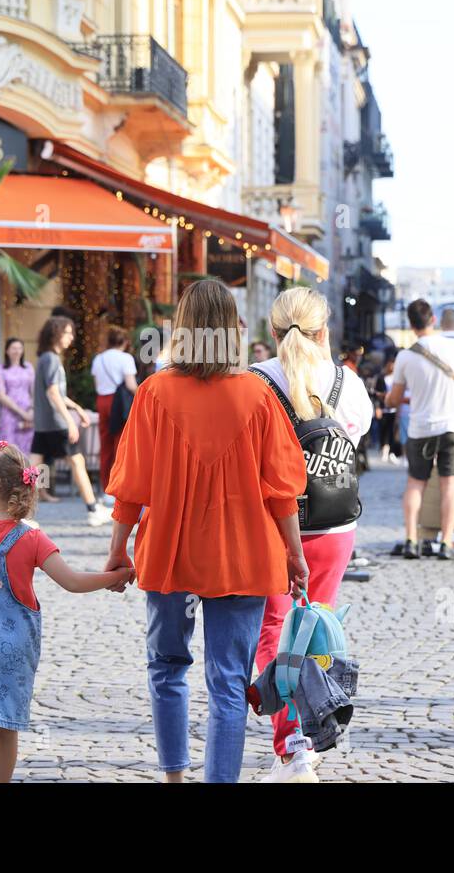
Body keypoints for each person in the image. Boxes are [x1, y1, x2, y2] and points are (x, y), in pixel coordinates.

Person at [103, 279, 308, 783]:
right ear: (231, 329)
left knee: (167, 667)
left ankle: (174, 777)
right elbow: (281, 491)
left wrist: (117, 551)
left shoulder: (154, 393)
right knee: (229, 682)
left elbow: (132, 485)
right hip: (243, 551)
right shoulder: (257, 395)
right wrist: (295, 554)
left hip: (171, 548)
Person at [0, 440, 131, 782]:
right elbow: (72, 581)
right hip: (16, 648)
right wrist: (114, 577)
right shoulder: (31, 538)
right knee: (7, 728)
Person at [249, 287, 373, 782]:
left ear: (272, 333)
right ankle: (313, 733)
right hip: (336, 524)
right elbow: (353, 441)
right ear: (325, 332)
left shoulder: (256, 383)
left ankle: (293, 746)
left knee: (274, 631)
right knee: (318, 625)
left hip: (274, 526)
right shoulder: (350, 384)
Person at [385, 299, 454, 557]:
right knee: (450, 485)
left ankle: (411, 539)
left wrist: (387, 399)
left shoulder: (405, 355)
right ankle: (446, 543)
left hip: (420, 427)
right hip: (453, 425)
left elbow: (395, 398)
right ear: (432, 319)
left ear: (412, 325)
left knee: (415, 483)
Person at [29, 316, 110, 527]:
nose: (71, 337)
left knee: (33, 468)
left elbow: (57, 393)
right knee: (77, 462)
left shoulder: (46, 359)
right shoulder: (51, 360)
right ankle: (92, 509)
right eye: (67, 333)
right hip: (56, 424)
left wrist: (77, 408)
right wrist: (70, 421)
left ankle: (18, 515)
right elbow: (53, 392)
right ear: (56, 334)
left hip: (44, 423)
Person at [90, 325, 138, 500]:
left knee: (105, 445)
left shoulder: (98, 359)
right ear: (124, 342)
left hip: (101, 400)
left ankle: (105, 488)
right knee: (121, 445)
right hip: (119, 403)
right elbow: (131, 385)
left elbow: (97, 386)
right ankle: (116, 488)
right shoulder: (125, 359)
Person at [0, 337, 35, 454]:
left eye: (19, 348)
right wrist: (22, 413)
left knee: (28, 447)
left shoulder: (28, 367)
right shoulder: (1, 369)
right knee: (9, 449)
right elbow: (1, 395)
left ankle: (28, 473)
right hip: (9, 413)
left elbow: (33, 392)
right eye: (13, 348)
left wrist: (31, 410)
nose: (17, 351)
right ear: (7, 350)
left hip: (28, 413)